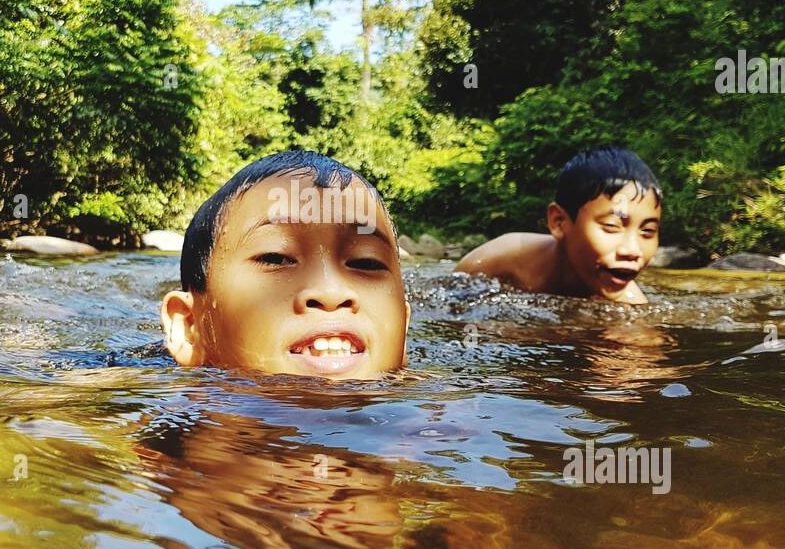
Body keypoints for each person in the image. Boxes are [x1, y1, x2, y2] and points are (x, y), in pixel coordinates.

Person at [160, 150, 410, 377]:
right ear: (189, 327)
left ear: (404, 328)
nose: (331, 292)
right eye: (276, 258)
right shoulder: (143, 415)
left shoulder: (441, 415)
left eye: (366, 263)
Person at [455, 146, 662, 305]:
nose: (633, 250)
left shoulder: (630, 305)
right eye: (611, 226)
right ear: (559, 222)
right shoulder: (499, 259)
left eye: (648, 231)